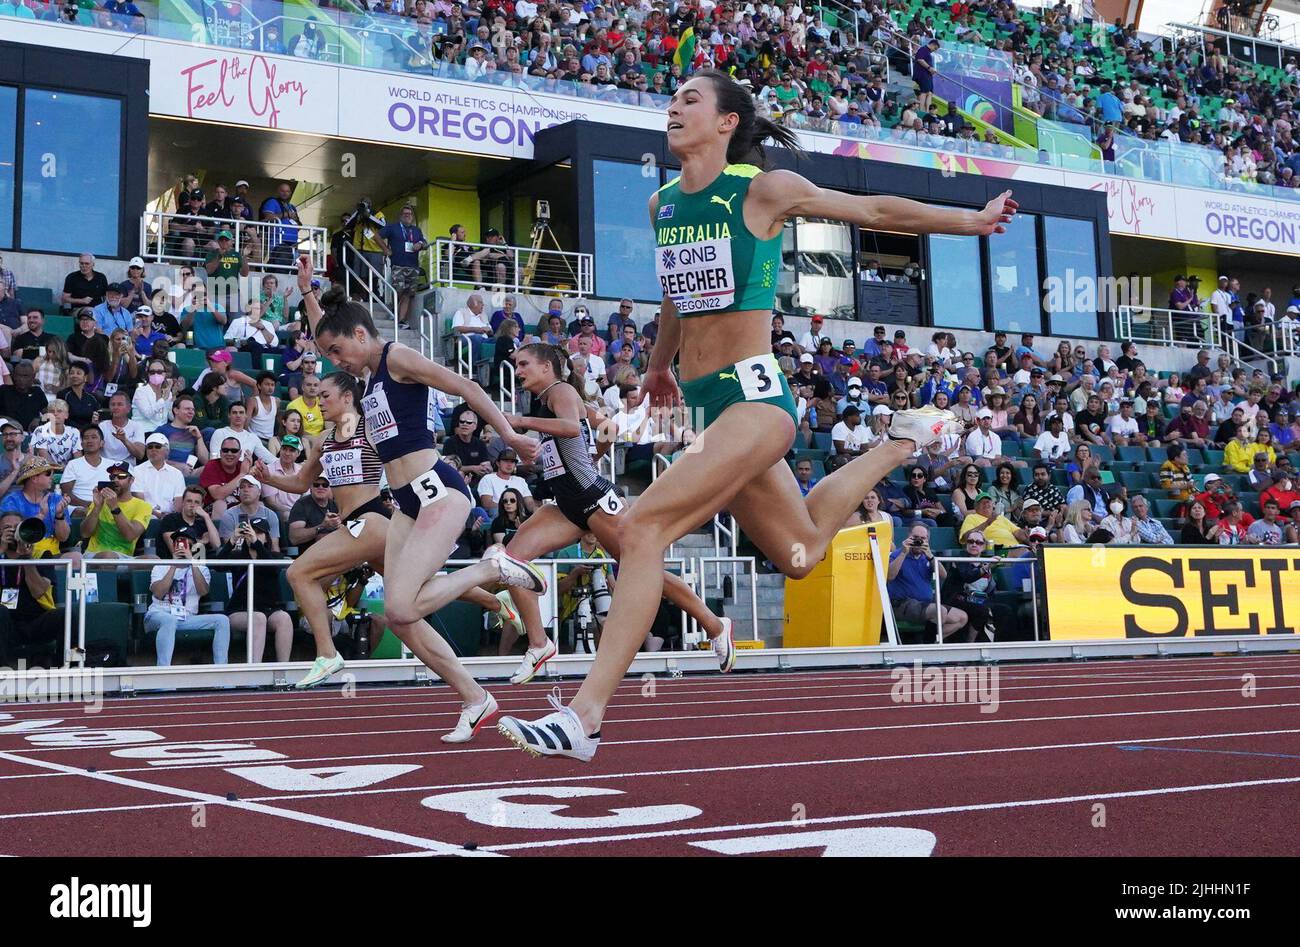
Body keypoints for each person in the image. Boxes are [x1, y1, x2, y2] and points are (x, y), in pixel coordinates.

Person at [497, 69, 1014, 760]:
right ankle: (898, 443)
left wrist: (970, 220)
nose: (673, 107)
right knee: (800, 552)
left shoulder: (762, 191)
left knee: (642, 528)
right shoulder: (662, 207)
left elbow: (875, 213)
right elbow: (679, 294)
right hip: (706, 405)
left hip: (756, 399)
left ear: (726, 123)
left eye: (690, 100)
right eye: (671, 98)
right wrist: (658, 365)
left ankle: (585, 715)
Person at [305, 273, 544, 739]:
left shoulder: (398, 358)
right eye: (329, 356)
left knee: (402, 606)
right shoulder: (366, 373)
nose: (332, 362)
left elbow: (466, 388)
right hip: (406, 502)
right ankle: (476, 698)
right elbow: (326, 334)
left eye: (337, 353)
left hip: (438, 489)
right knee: (401, 615)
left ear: (360, 335)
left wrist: (508, 434)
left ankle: (486, 569)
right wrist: (309, 294)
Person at [489, 344, 734, 686]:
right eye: (516, 365)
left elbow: (572, 429)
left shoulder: (559, 391)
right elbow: (609, 428)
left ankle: (714, 625)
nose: (518, 371)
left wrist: (519, 423)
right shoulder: (553, 398)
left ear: (547, 367)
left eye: (524, 364)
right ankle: (539, 643)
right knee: (511, 560)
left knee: (643, 572)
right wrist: (587, 455)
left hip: (593, 500)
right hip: (567, 504)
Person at [144, 527, 231, 667]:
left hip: (186, 618)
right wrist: (173, 565)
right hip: (158, 615)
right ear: (173, 546)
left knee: (222, 620)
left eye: (187, 545)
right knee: (169, 620)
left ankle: (221, 673)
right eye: (178, 543)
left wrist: (193, 562)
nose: (182, 548)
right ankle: (162, 674)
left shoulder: (201, 568)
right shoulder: (160, 566)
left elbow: (203, 591)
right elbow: (158, 593)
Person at [217, 516, 293, 662]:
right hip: (240, 611)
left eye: (259, 533)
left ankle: (283, 672)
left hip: (268, 610)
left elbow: (274, 569)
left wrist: (257, 544)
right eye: (252, 532)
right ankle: (253, 672)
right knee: (258, 618)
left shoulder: (273, 557)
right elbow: (218, 567)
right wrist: (231, 541)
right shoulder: (237, 557)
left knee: (284, 618)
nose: (254, 535)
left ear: (266, 537)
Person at [0, 511, 65, 668]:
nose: (13, 532)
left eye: (17, 528)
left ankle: (64, 666)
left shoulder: (41, 554)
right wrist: (1, 551)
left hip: (35, 622)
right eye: (7, 528)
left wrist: (26, 558)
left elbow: (38, 591)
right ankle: (2, 668)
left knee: (65, 615)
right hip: (6, 624)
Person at [886, 523, 967, 641]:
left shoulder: (927, 556)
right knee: (940, 611)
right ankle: (928, 647)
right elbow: (889, 576)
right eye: (915, 538)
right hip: (901, 604)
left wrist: (930, 556)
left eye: (923, 538)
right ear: (908, 537)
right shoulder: (897, 554)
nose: (918, 541)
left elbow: (943, 575)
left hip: (925, 604)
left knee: (961, 617)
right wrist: (904, 552)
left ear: (927, 540)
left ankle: (930, 643)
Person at [81, 462, 152, 558]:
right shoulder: (100, 501)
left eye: (121, 476)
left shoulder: (143, 506)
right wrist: (97, 507)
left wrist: (115, 508)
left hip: (125, 557)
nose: (115, 480)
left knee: (154, 560)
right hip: (94, 554)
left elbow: (130, 535)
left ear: (131, 480)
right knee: (108, 556)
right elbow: (85, 533)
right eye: (112, 477)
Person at [131, 433, 187, 516]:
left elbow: (178, 502)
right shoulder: (137, 470)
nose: (153, 449)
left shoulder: (177, 474)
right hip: (143, 517)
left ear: (167, 450)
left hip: (169, 518)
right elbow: (138, 499)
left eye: (157, 446)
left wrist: (169, 517)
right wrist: (156, 514)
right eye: (150, 447)